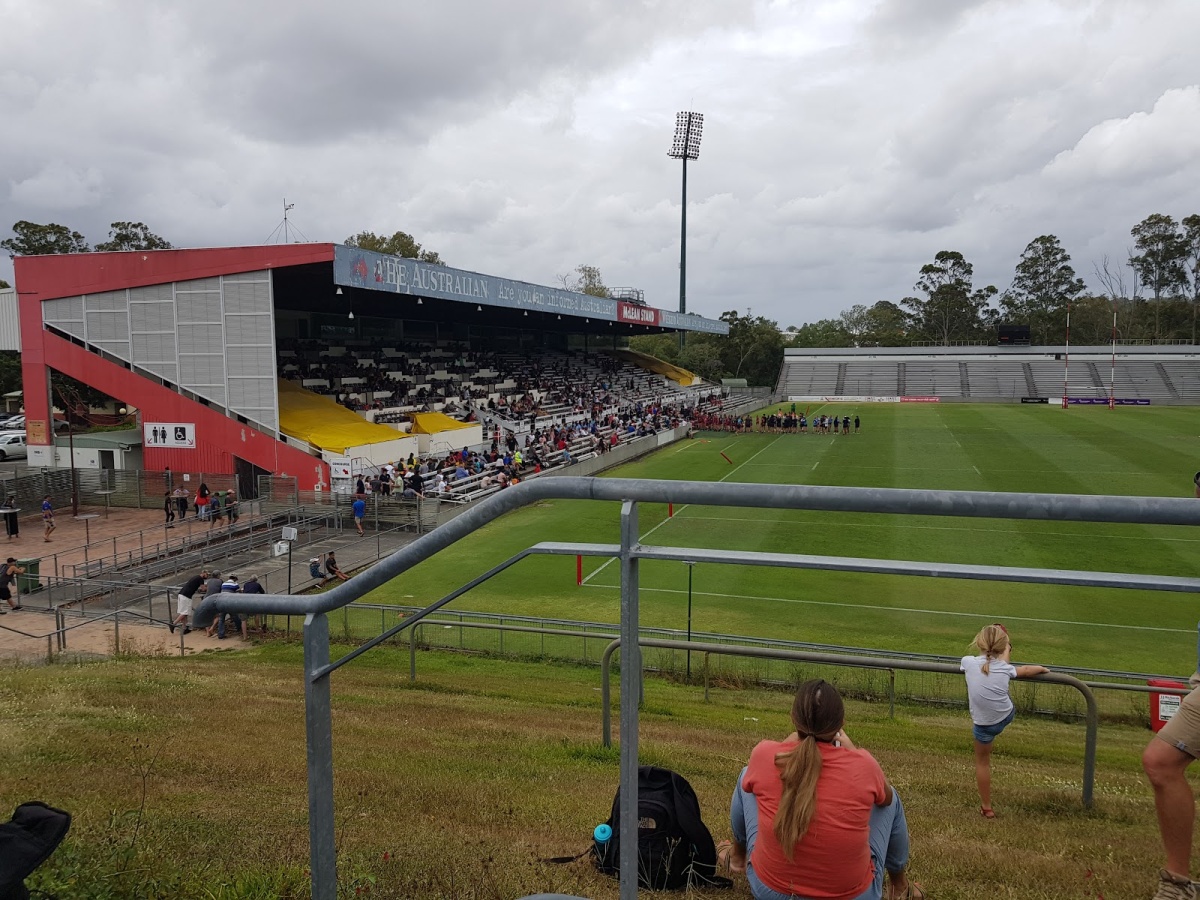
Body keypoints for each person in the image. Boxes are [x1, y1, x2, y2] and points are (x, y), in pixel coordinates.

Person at [722, 679, 922, 900]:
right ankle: (899, 886)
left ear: (793, 717)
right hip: (851, 896)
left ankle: (737, 858)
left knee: (746, 776)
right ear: (841, 722)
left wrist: (789, 742)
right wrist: (854, 752)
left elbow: (765, 773)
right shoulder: (864, 765)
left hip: (770, 892)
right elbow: (885, 799)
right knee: (890, 800)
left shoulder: (764, 754)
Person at [960, 623, 1048, 818]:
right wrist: (1042, 668)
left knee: (982, 762)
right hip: (1005, 715)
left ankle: (987, 807)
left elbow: (986, 665)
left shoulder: (968, 661)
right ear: (1003, 648)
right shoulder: (1005, 668)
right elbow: (1023, 669)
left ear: (978, 643)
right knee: (1006, 669)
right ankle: (1005, 645)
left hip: (984, 725)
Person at [170, 569, 206, 634]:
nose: (207, 576)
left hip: (182, 594)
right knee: (185, 612)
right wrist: (208, 587)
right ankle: (174, 623)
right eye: (207, 574)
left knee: (184, 612)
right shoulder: (200, 579)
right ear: (203, 573)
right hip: (186, 596)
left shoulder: (196, 577)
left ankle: (184, 627)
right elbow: (203, 588)